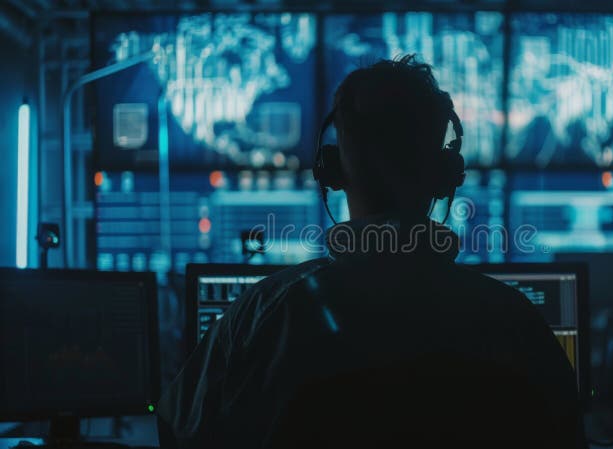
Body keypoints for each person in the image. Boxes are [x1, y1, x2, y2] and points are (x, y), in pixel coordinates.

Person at [157, 55, 585, 448]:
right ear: (444, 177)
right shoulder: (514, 322)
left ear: (333, 171)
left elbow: (179, 434)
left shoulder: (266, 314)